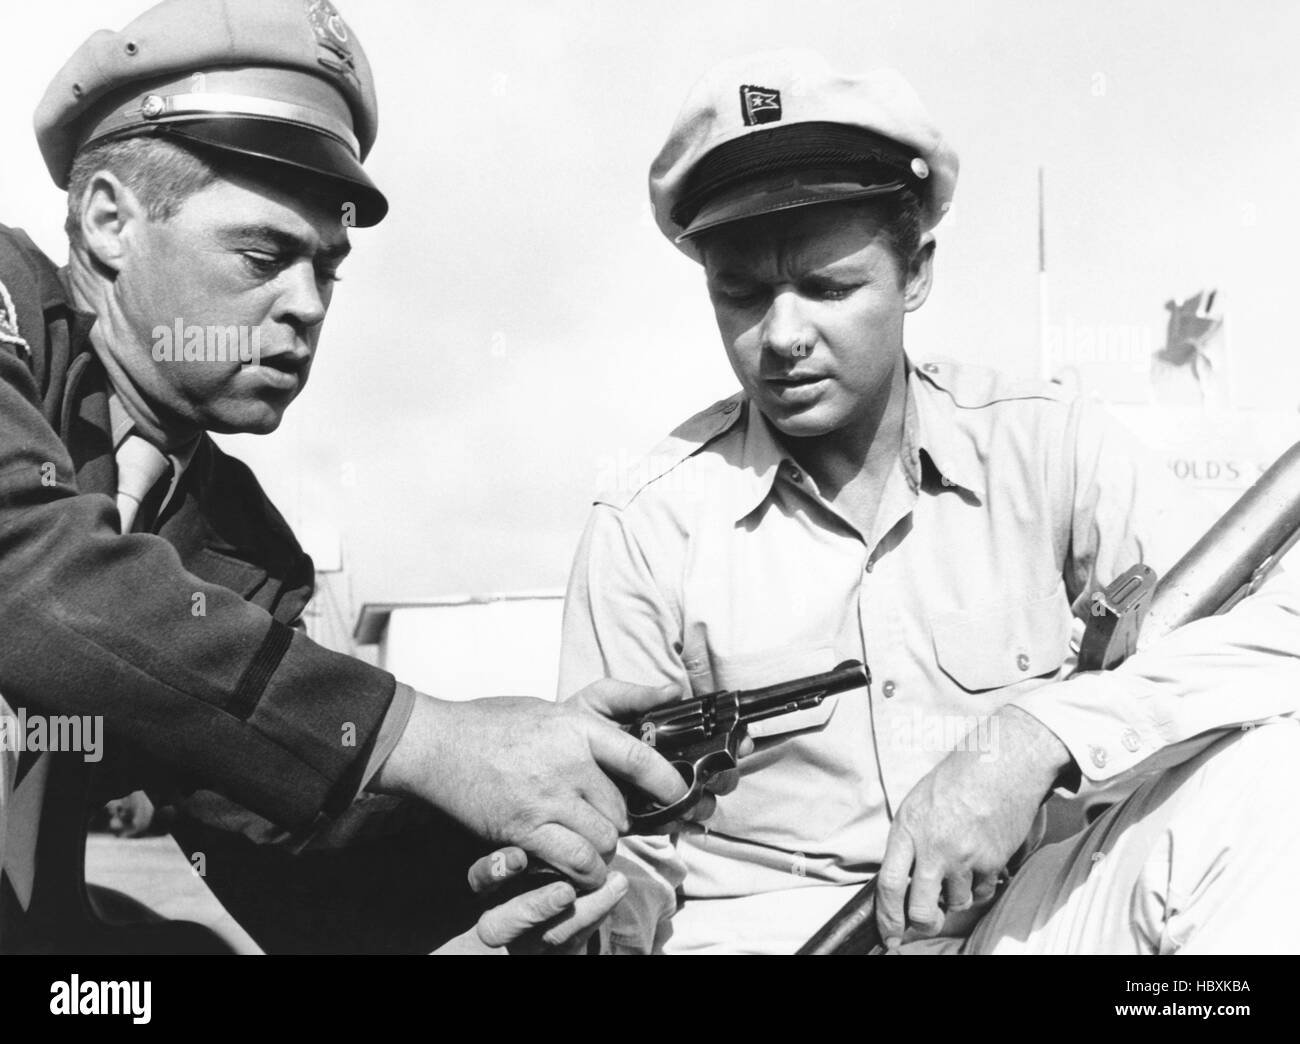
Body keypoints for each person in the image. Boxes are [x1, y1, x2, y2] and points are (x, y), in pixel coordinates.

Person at [492, 49, 1300, 954]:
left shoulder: (1047, 445)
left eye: (829, 288)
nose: (783, 337)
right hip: (774, 943)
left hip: (1031, 926)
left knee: (1276, 776)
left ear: (916, 273)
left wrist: (1035, 738)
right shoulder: (646, 526)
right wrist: (578, 916)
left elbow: (1275, 636)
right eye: (742, 294)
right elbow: (631, 856)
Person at [0, 0, 691, 954]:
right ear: (110, 219)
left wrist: (517, 869)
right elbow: (24, 575)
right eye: (264, 254)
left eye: (329, 269)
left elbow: (282, 840)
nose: (307, 305)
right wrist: (429, 736)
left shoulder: (236, 536)